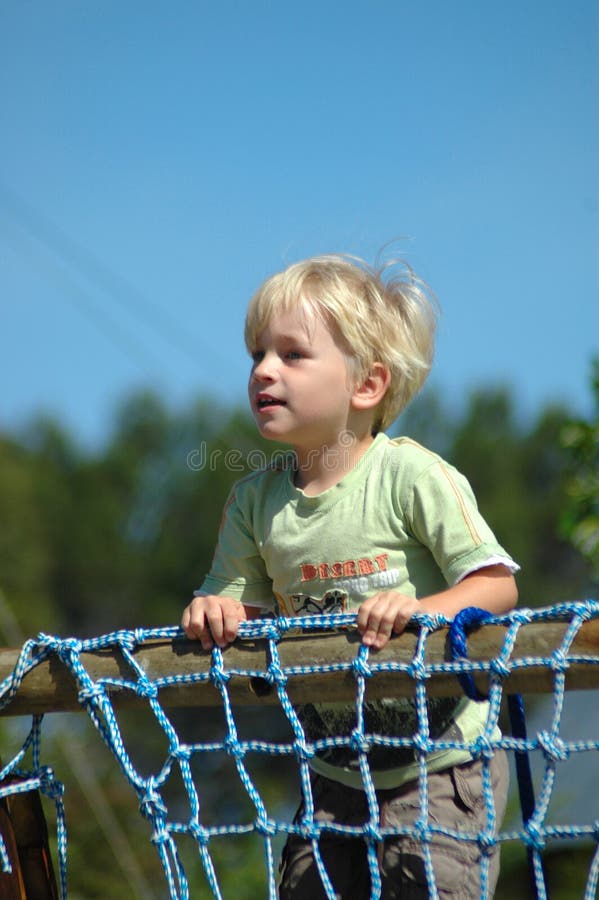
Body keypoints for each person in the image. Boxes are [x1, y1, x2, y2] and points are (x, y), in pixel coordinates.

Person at [182, 253, 518, 899]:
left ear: (365, 385)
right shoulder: (254, 503)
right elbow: (236, 605)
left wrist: (426, 608)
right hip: (331, 772)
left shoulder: (411, 477)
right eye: (256, 354)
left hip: (441, 765)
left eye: (291, 354)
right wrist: (215, 611)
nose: (262, 371)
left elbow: (496, 583)